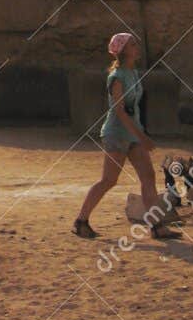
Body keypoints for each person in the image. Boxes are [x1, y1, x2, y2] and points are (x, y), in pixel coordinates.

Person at [73, 31, 180, 240]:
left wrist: (139, 135)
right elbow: (119, 111)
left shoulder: (133, 73)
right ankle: (81, 221)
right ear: (122, 50)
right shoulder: (117, 77)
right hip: (117, 134)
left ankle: (157, 226)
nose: (137, 47)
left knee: (148, 177)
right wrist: (142, 136)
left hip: (132, 134)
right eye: (132, 44)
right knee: (108, 180)